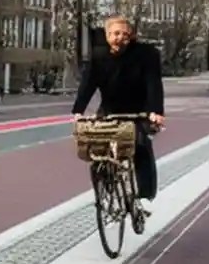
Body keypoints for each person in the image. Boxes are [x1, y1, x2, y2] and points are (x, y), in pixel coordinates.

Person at [71, 15, 166, 210]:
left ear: (131, 36)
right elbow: (88, 84)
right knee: (97, 146)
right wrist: (78, 111)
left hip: (139, 109)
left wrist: (155, 111)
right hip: (110, 109)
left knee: (140, 144)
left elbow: (153, 83)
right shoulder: (99, 57)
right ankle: (106, 184)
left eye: (125, 34)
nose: (120, 38)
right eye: (116, 34)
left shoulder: (146, 54)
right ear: (107, 35)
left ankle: (144, 193)